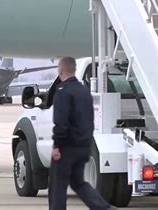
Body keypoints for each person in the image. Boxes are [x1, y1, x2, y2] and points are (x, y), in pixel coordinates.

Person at [49, 57, 110, 210]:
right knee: (78, 182)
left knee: (58, 185)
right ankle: (102, 207)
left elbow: (61, 122)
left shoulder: (64, 91)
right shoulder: (84, 91)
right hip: (83, 145)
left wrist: (57, 145)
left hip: (67, 148)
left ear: (61, 70)